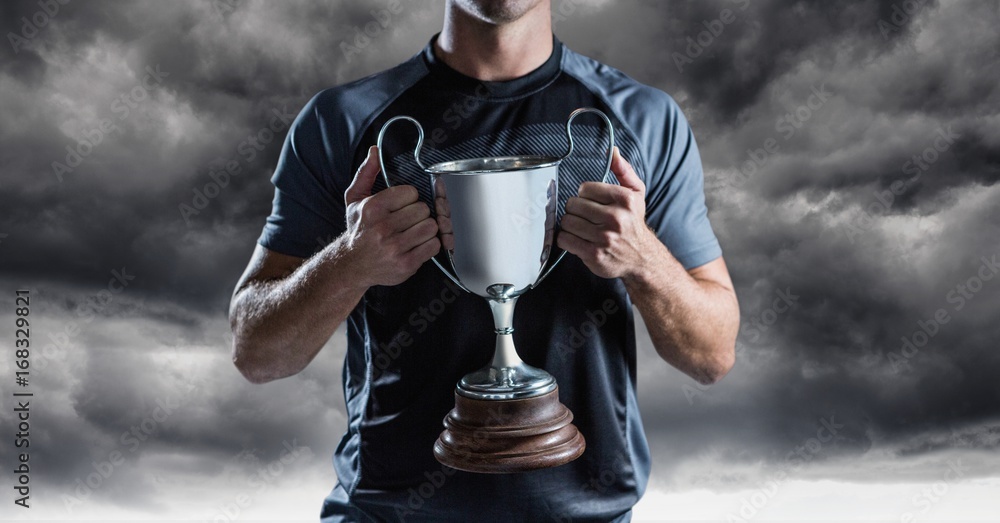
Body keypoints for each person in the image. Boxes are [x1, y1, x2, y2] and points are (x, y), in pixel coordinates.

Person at [229, 0, 739, 521]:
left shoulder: (643, 120)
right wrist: (349, 262)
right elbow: (256, 353)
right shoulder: (344, 120)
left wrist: (643, 259)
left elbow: (711, 356)